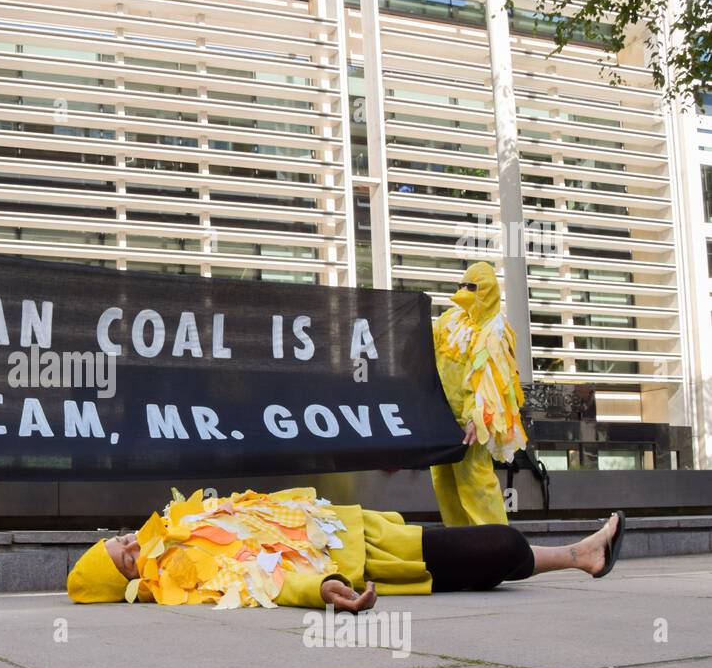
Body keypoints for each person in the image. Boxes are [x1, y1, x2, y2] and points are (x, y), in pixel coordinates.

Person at [67, 488, 624, 611]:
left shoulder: (180, 524)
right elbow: (258, 581)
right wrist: (325, 593)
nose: (126, 542)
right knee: (498, 546)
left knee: (488, 563)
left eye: (116, 540)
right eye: (122, 556)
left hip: (363, 534)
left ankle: (582, 556)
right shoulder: (183, 570)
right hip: (367, 559)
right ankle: (582, 555)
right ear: (132, 582)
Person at [430, 261, 528, 526]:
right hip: (441, 419)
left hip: (470, 424)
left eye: (471, 287)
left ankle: (495, 544)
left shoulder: (495, 332)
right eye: (461, 286)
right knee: (443, 482)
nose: (464, 291)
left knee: (475, 482)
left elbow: (492, 380)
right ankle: (462, 545)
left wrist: (477, 416)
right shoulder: (450, 320)